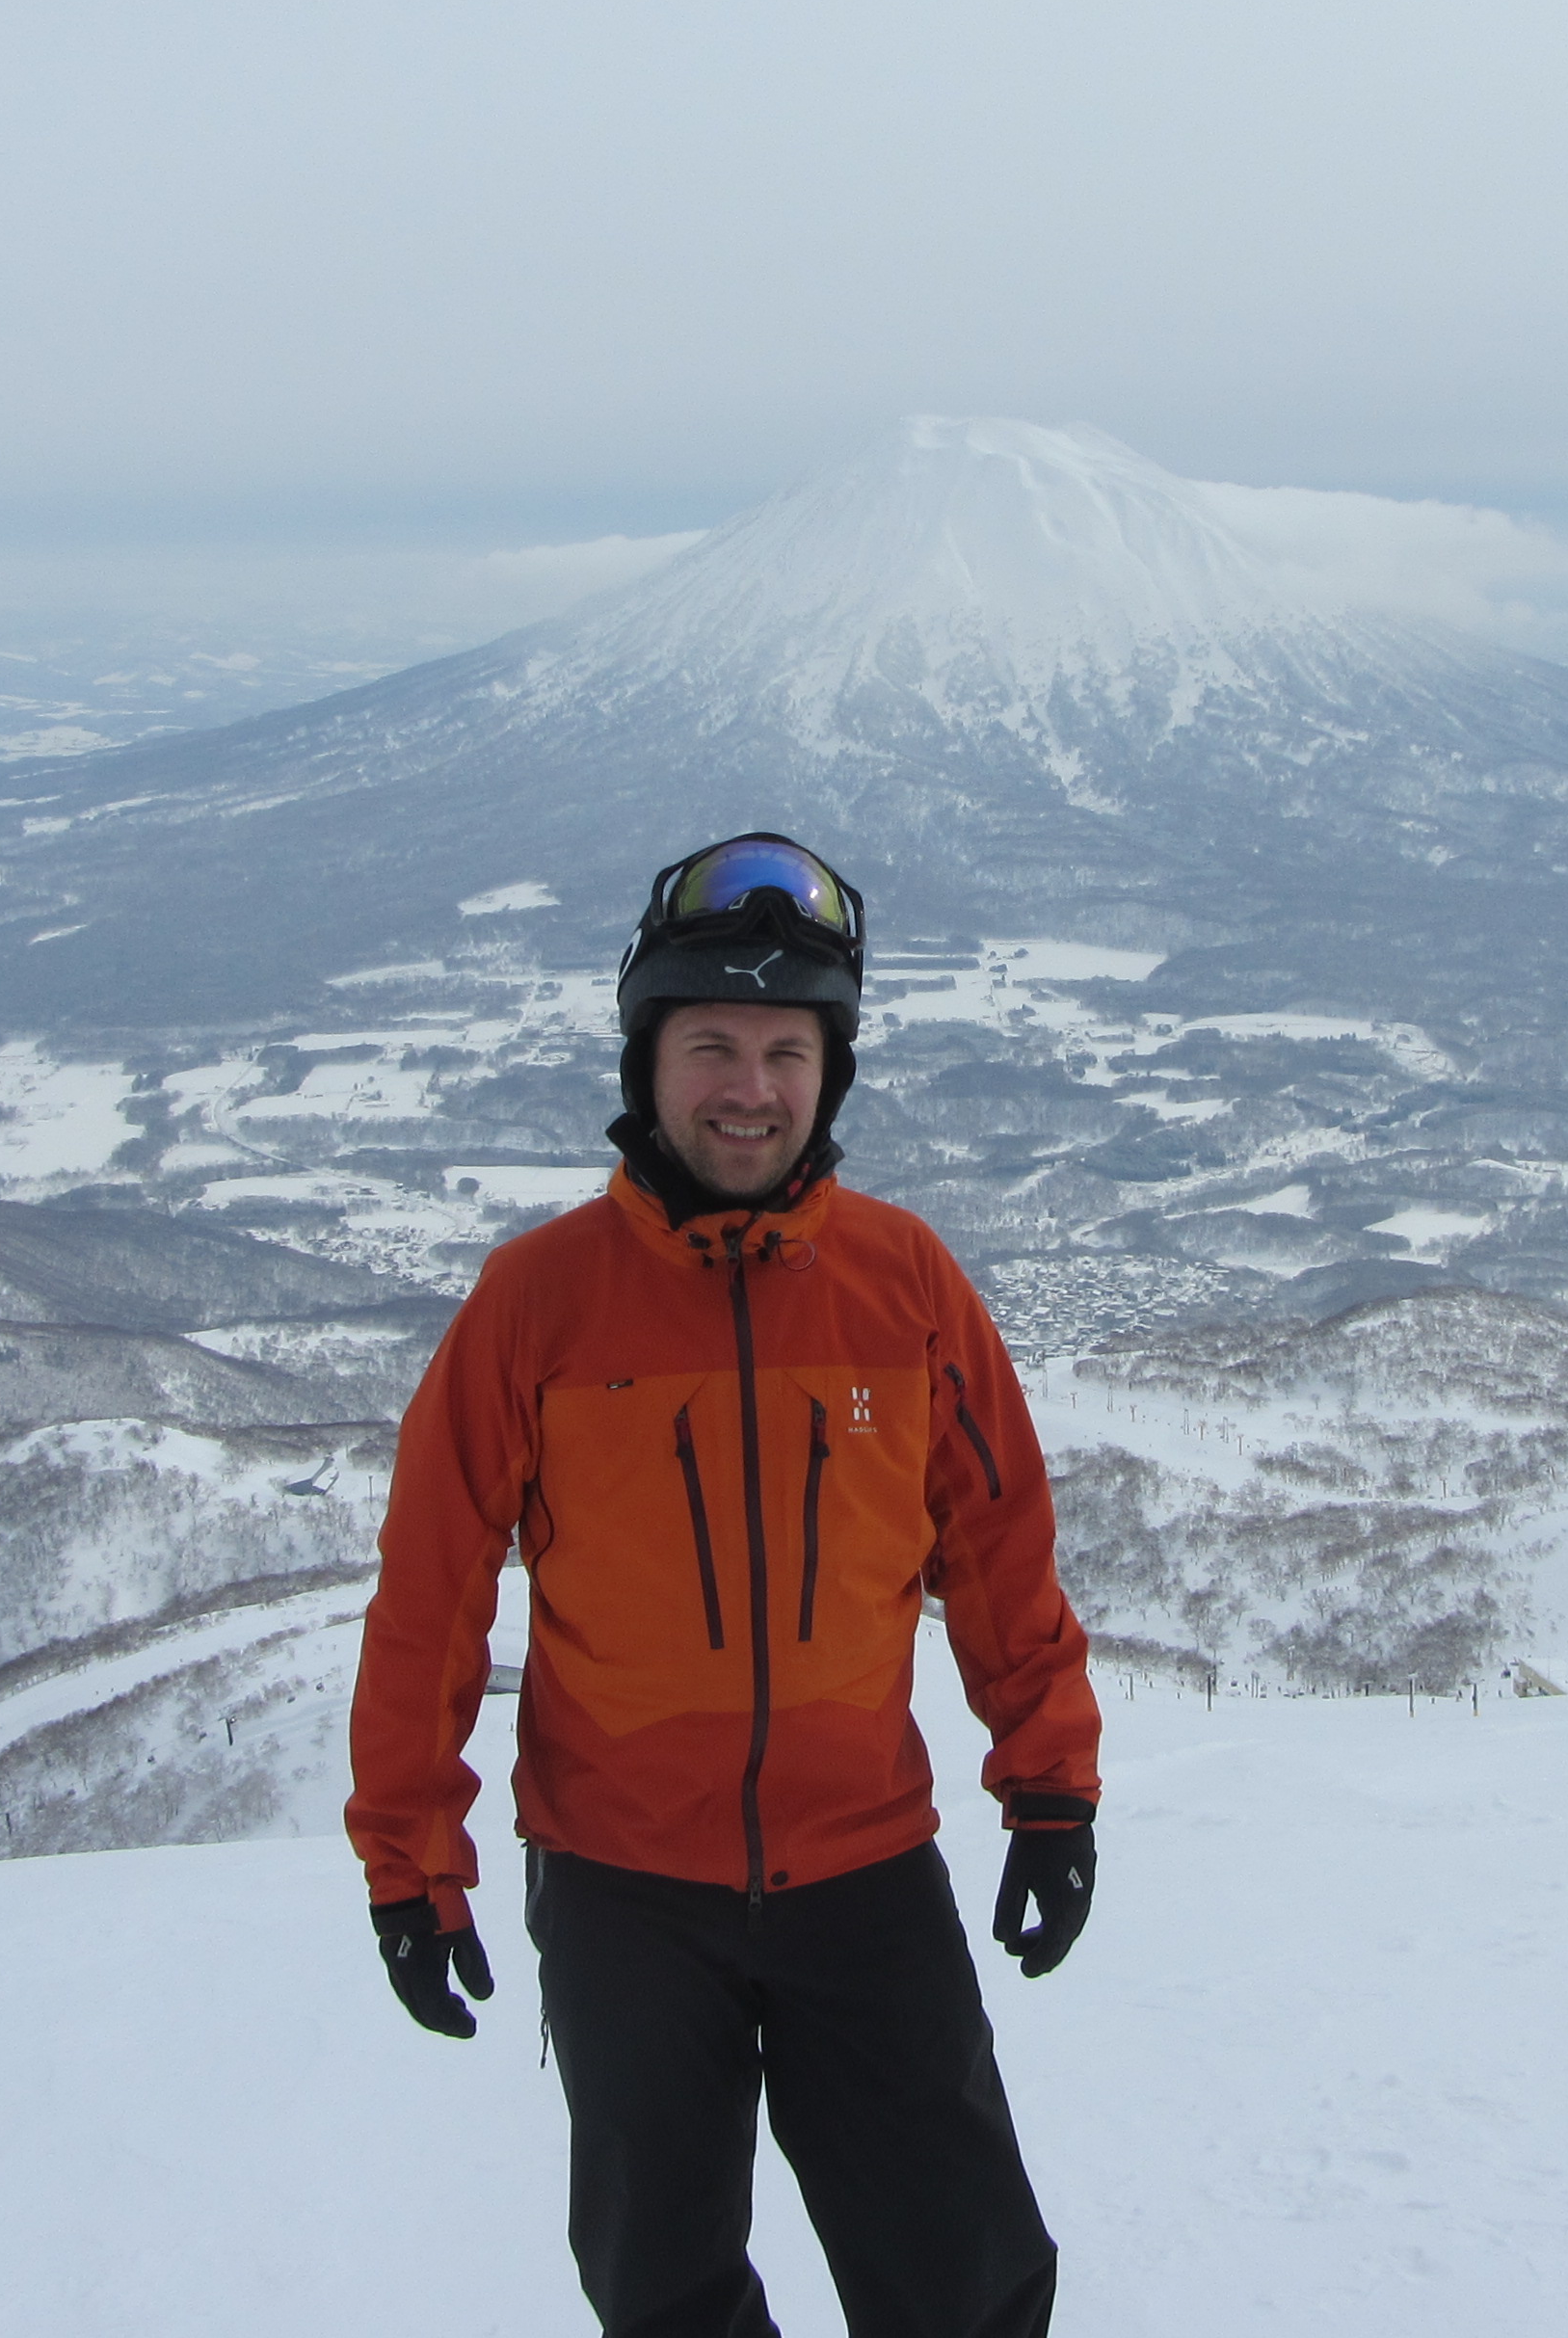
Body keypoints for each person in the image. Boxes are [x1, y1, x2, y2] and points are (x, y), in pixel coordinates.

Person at [348, 832, 1103, 2338]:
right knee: (666, 2287)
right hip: (626, 1890)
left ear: (830, 1076)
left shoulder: (908, 1286)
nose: (748, 1087)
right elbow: (430, 1593)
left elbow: (1002, 1551)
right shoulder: (537, 1304)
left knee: (961, 2273)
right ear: (649, 1057)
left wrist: (1053, 1790)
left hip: (863, 1864)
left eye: (783, 1049)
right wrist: (407, 1862)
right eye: (711, 1045)